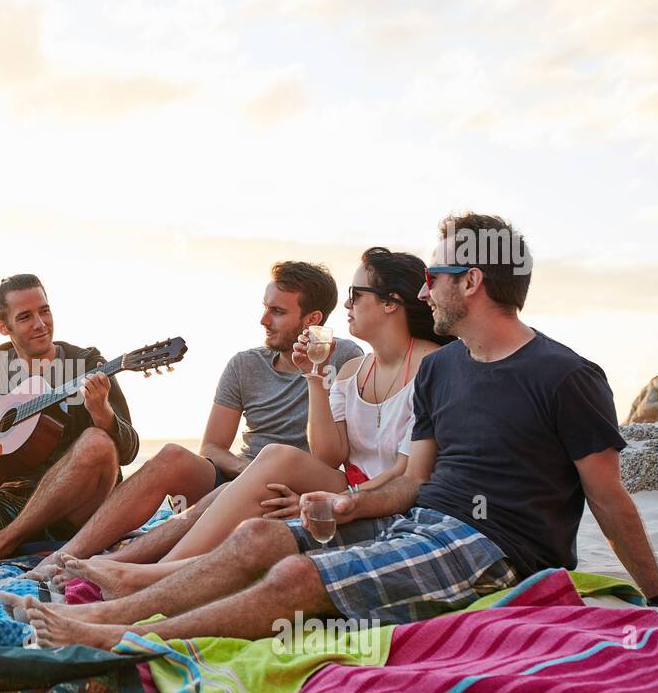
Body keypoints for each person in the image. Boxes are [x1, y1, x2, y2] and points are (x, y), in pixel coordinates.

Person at [21, 213, 658, 648]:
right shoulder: (445, 371)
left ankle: (119, 631)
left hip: (496, 550)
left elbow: (609, 497)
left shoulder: (565, 374)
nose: (426, 290)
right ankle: (124, 596)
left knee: (295, 581)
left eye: (437, 276)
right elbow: (414, 480)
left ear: (472, 281)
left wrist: (657, 593)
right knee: (257, 534)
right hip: (420, 517)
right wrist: (344, 503)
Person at [56, 247, 453, 598]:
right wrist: (314, 377)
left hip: (368, 493)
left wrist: (328, 501)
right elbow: (330, 452)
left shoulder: (425, 366)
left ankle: (145, 574)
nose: (347, 305)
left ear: (391, 303)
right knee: (229, 462)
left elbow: (406, 473)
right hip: (317, 478)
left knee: (267, 465)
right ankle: (106, 564)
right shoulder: (350, 368)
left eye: (356, 295)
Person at [24, 261, 363, 582]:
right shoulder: (244, 365)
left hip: (294, 487)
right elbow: (212, 448)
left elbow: (349, 456)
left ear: (311, 319)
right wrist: (252, 470)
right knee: (173, 456)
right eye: (265, 307)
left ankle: (111, 567)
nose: (263, 319)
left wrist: (310, 496)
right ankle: (66, 554)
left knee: (229, 492)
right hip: (246, 472)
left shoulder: (345, 358)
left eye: (277, 311)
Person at [0, 274, 140, 602]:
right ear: (4, 327)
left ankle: (0, 544)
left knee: (96, 442)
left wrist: (102, 412)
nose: (41, 323)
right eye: (25, 317)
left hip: (76, 505)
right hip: (11, 500)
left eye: (45, 311)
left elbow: (128, 449)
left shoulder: (86, 362)